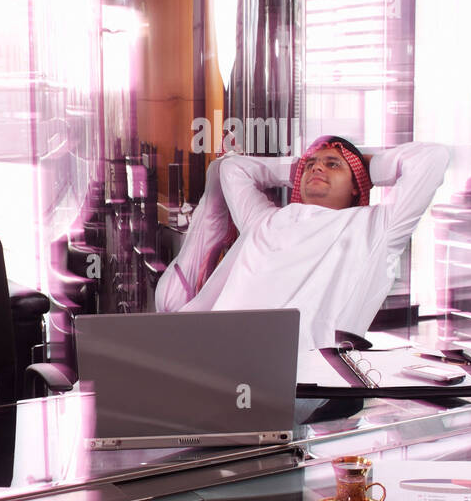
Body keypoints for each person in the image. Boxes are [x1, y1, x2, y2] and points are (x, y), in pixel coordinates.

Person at [155, 136, 450, 351]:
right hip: (209, 355)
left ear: (356, 186)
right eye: (310, 165)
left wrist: (366, 164)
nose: (316, 168)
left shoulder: (375, 228)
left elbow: (433, 157)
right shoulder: (264, 220)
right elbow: (233, 169)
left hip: (293, 378)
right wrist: (296, 168)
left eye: (333, 164)